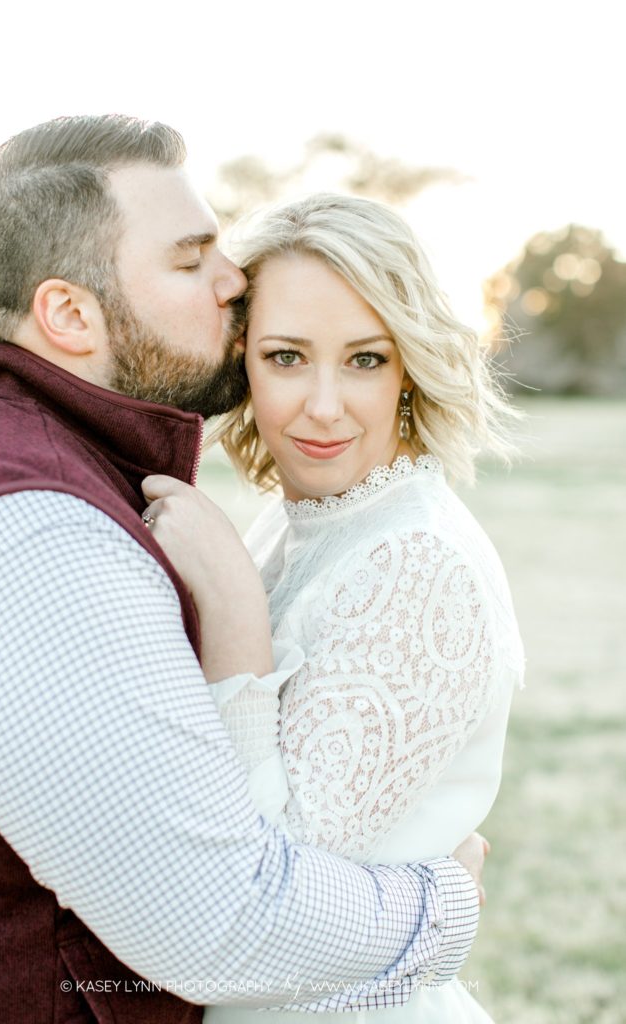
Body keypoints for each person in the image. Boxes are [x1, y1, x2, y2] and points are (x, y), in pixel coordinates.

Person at [0, 116, 487, 1024]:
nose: (233, 278)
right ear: (69, 313)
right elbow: (219, 922)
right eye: (192, 259)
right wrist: (443, 906)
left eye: (363, 358)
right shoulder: (32, 532)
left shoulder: (40, 461)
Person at [141, 193, 526, 1022]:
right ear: (240, 356)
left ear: (410, 365)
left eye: (363, 359)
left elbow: (267, 900)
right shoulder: (299, 515)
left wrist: (234, 611)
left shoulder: (414, 562)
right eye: (286, 357)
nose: (322, 406)